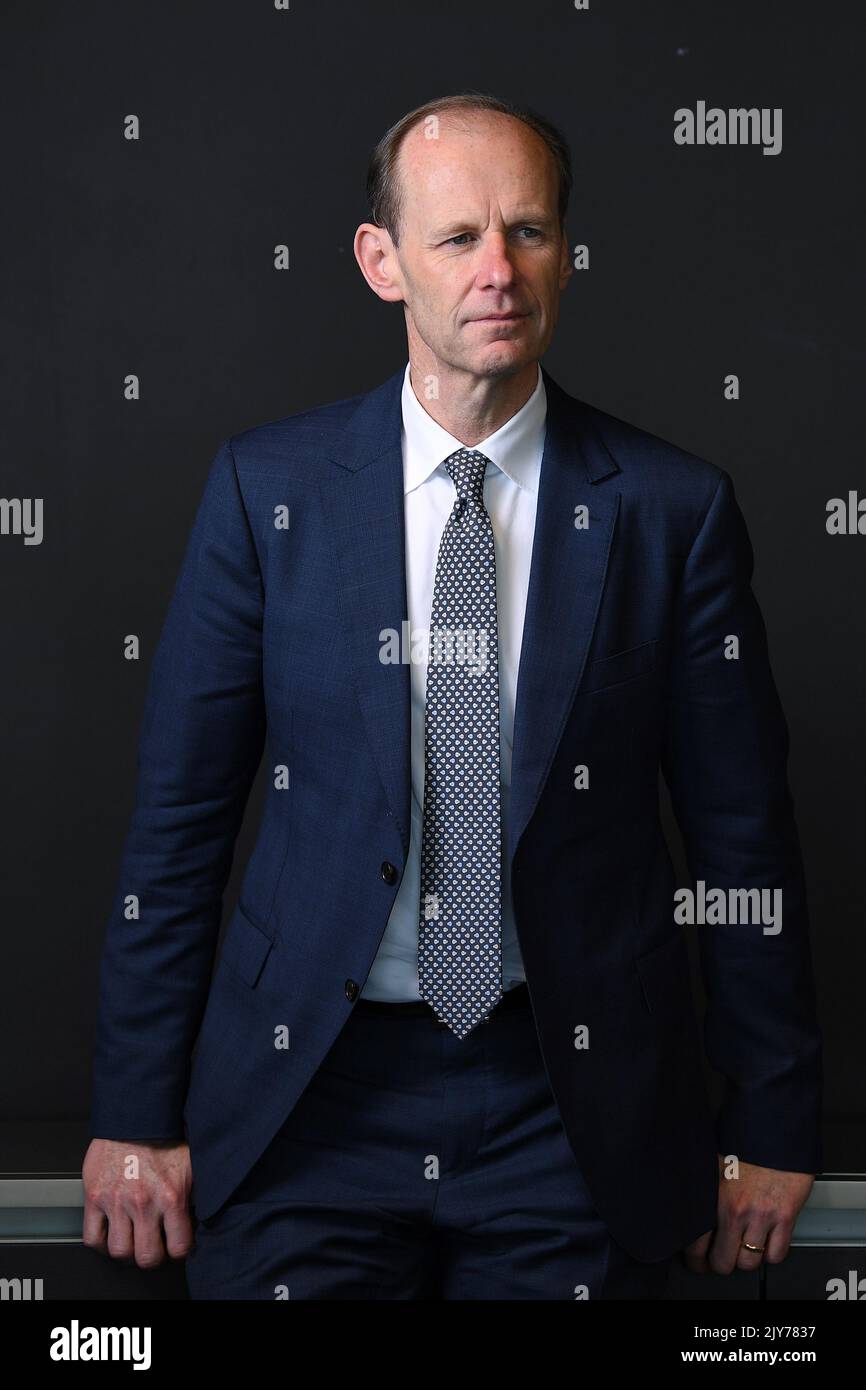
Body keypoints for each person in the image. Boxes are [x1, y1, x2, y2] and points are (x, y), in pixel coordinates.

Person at [82, 91, 822, 1300]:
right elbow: (177, 828)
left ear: (566, 257)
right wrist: (131, 1108)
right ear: (382, 264)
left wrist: (773, 1120)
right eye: (457, 238)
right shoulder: (268, 493)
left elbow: (743, 842)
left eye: (528, 232)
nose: (499, 270)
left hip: (570, 1104)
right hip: (306, 1095)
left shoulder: (668, 510)